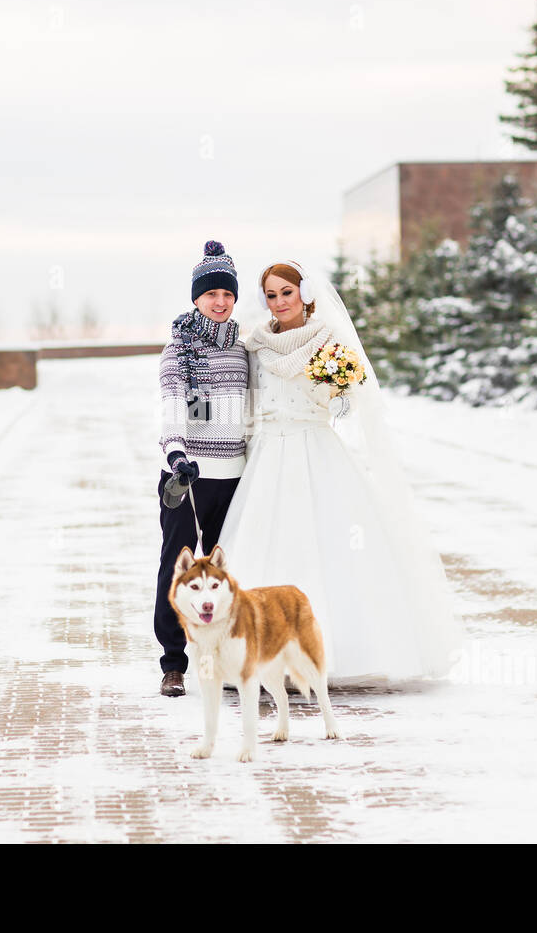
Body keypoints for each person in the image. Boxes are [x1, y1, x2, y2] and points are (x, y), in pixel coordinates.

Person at [215, 260, 468, 686]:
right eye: (271, 295)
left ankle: (335, 653)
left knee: (333, 547)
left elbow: (352, 399)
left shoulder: (329, 342)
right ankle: (258, 652)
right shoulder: (254, 345)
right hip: (268, 456)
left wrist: (340, 398)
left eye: (287, 293)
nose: (279, 302)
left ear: (305, 293)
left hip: (316, 451)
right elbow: (243, 402)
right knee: (263, 543)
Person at [153, 240, 249, 697]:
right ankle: (173, 664)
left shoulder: (242, 350)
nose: (220, 301)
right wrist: (177, 455)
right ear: (196, 298)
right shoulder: (178, 351)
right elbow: (174, 406)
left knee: (222, 577)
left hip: (234, 477)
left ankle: (220, 657)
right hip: (188, 477)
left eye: (227, 294)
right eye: (211, 294)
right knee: (180, 572)